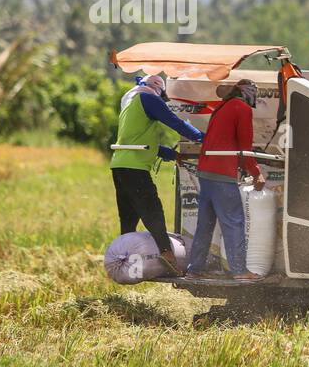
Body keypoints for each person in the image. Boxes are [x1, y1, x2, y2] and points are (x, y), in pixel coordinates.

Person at [110, 74, 204, 276]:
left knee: (128, 217)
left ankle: (124, 260)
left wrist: (171, 154)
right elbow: (175, 122)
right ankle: (167, 255)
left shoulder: (130, 101)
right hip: (135, 168)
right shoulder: (148, 98)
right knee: (153, 211)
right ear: (158, 89)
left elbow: (137, 139)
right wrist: (203, 138)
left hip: (119, 165)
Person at [187, 80, 266, 281]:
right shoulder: (242, 108)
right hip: (221, 174)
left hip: (205, 172)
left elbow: (225, 141)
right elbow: (245, 146)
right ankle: (239, 271)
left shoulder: (222, 107)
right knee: (234, 223)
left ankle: (194, 268)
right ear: (248, 93)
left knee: (205, 224)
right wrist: (256, 172)